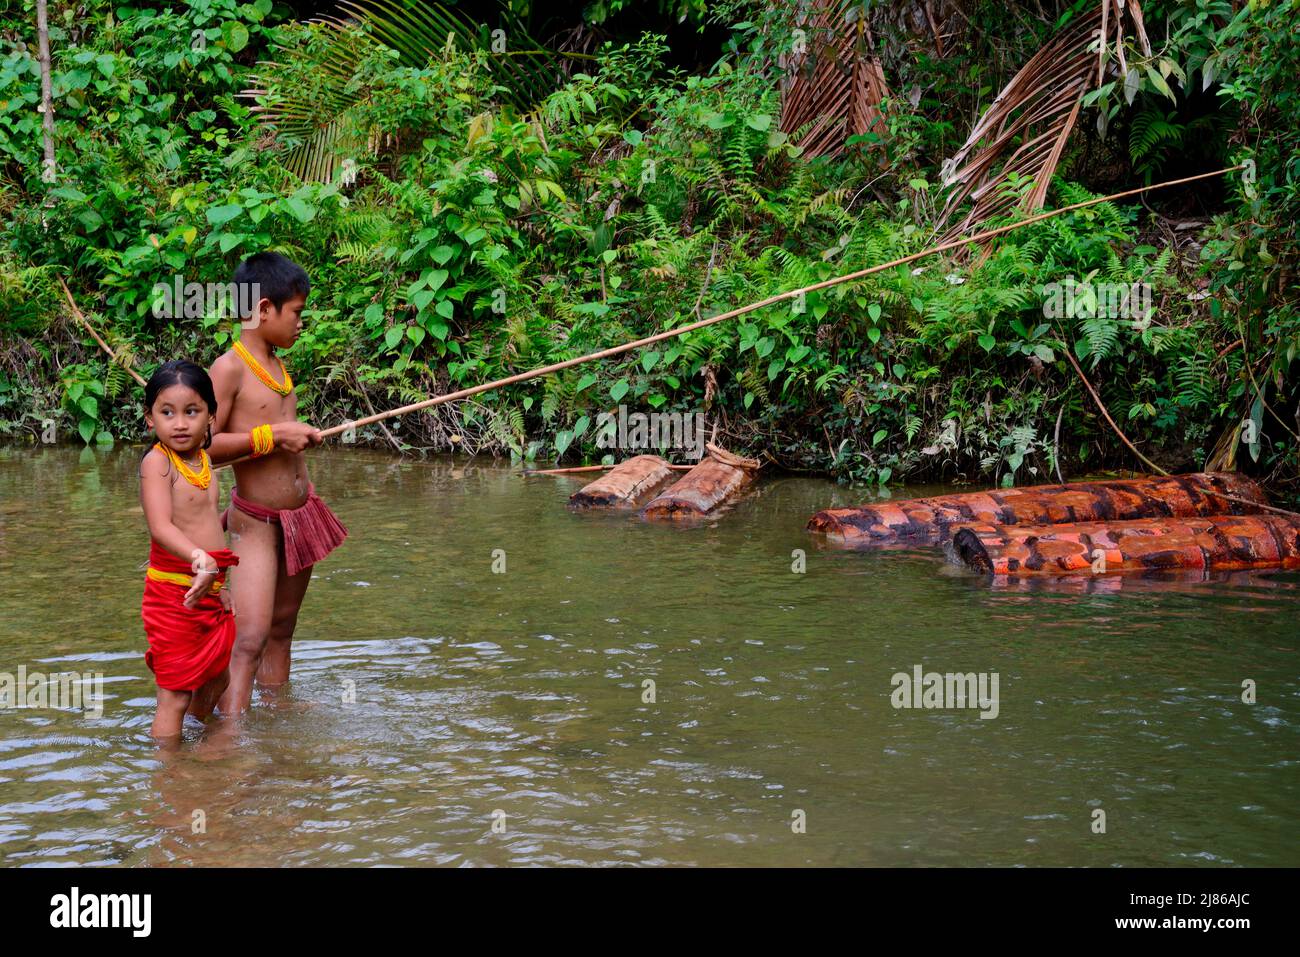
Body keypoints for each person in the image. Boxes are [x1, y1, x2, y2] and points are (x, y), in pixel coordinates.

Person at [208, 251, 346, 713]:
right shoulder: (229, 368)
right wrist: (274, 435)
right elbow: (202, 446)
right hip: (257, 523)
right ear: (263, 309)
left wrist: (295, 437)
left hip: (299, 518)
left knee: (282, 630)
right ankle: (229, 735)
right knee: (248, 638)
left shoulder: (278, 365)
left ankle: (274, 719)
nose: (301, 324)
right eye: (297, 313)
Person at [139, 360, 239, 738]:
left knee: (219, 676)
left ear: (211, 416)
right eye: (167, 413)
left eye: (191, 412)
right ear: (150, 419)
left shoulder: (205, 461)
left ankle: (197, 745)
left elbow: (208, 523)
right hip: (173, 594)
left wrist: (220, 584)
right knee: (175, 693)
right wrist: (199, 557)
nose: (179, 423)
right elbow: (161, 526)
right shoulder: (157, 464)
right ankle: (169, 771)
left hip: (208, 588)